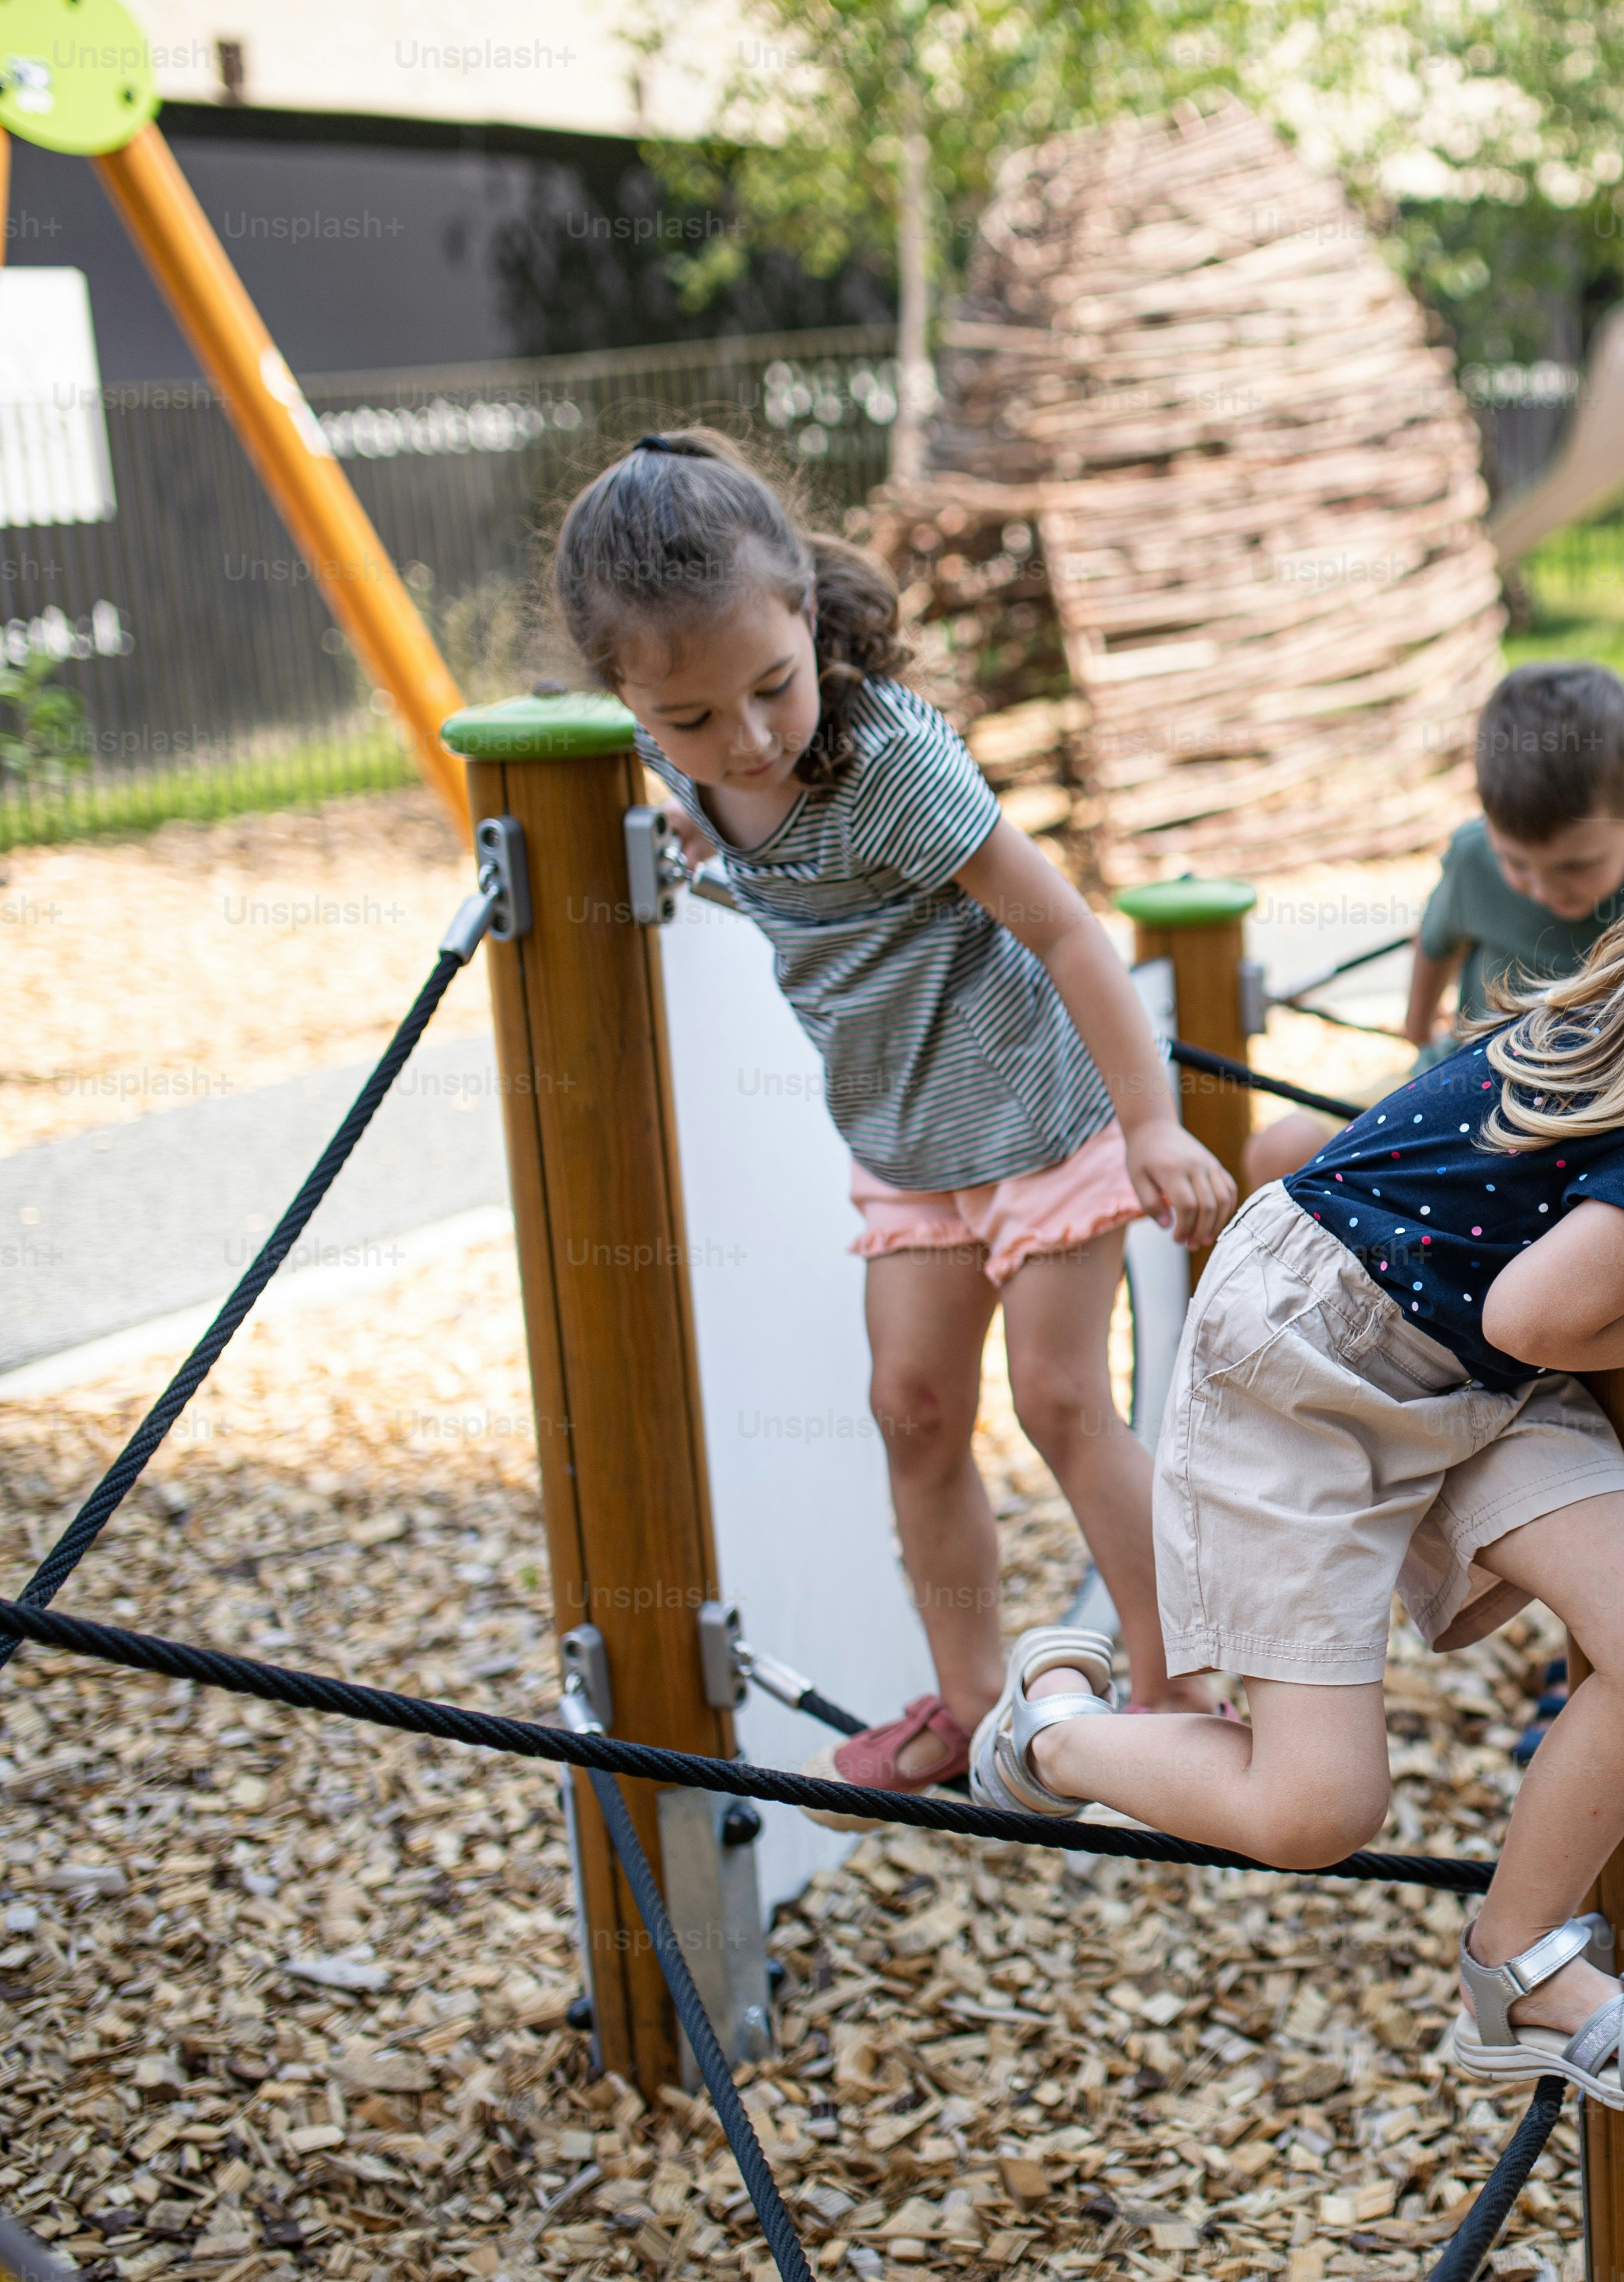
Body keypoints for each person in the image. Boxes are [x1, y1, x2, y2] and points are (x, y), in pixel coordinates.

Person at [961, 725, 1624, 2112]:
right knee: (1313, 1810)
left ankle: (1515, 1961)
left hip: (1454, 1355)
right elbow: (1544, 1310)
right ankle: (1051, 1728)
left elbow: (1589, 1205)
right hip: (1315, 1359)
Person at [551, 429, 1239, 1817]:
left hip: (1043, 1123)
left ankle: (1179, 1690)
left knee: (1059, 1399)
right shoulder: (682, 764)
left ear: (805, 613)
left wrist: (1150, 1121)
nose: (745, 738)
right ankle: (975, 1706)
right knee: (911, 1409)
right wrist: (703, 845)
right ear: (626, 697)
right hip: (907, 1148)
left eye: (770, 688)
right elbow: (808, 896)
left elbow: (1065, 931)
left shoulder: (885, 764)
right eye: (689, 720)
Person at [1240, 660, 1624, 1188]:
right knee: (1280, 1149)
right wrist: (1417, 1026)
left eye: (1575, 867)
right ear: (1487, 820)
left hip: (1612, 1117)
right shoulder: (1474, 857)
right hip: (1464, 1087)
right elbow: (1434, 942)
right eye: (1516, 864)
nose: (1542, 890)